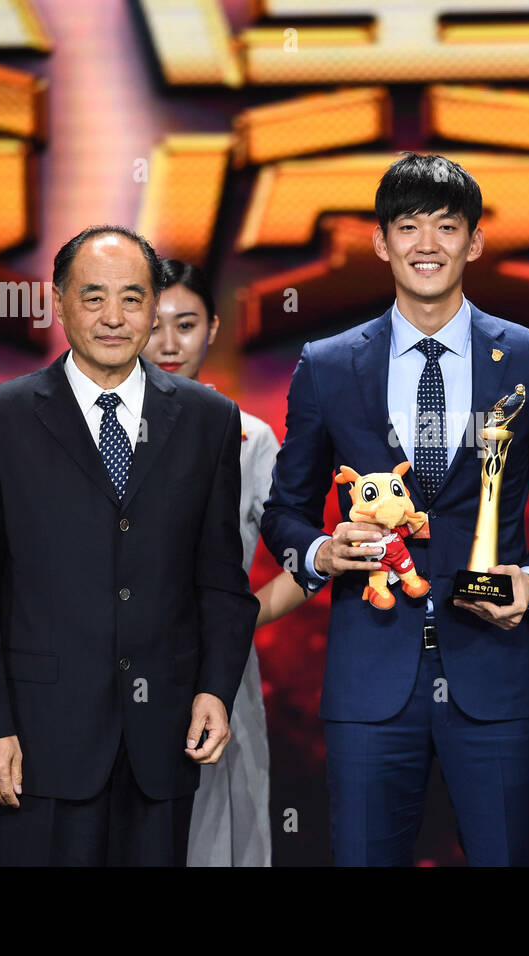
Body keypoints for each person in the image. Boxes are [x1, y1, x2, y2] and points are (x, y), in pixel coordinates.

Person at [260, 152, 529, 866]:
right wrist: (322, 553)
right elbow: (283, 510)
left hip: (497, 676)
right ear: (380, 242)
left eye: (447, 227)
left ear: (474, 242)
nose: (426, 245)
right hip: (370, 685)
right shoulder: (326, 364)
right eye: (407, 227)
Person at [0, 225, 258, 866]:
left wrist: (213, 691)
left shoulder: (209, 419)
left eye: (133, 298)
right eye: (93, 298)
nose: (114, 318)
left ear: (153, 307)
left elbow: (222, 580)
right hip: (39, 742)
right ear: (58, 302)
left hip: (164, 738)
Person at [143, 258, 310, 867]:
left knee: (213, 835)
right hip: (111, 665)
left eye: (184, 324)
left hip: (216, 669)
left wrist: (239, 617)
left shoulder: (250, 438)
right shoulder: (92, 433)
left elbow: (307, 558)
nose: (166, 342)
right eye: (152, 321)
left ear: (212, 328)